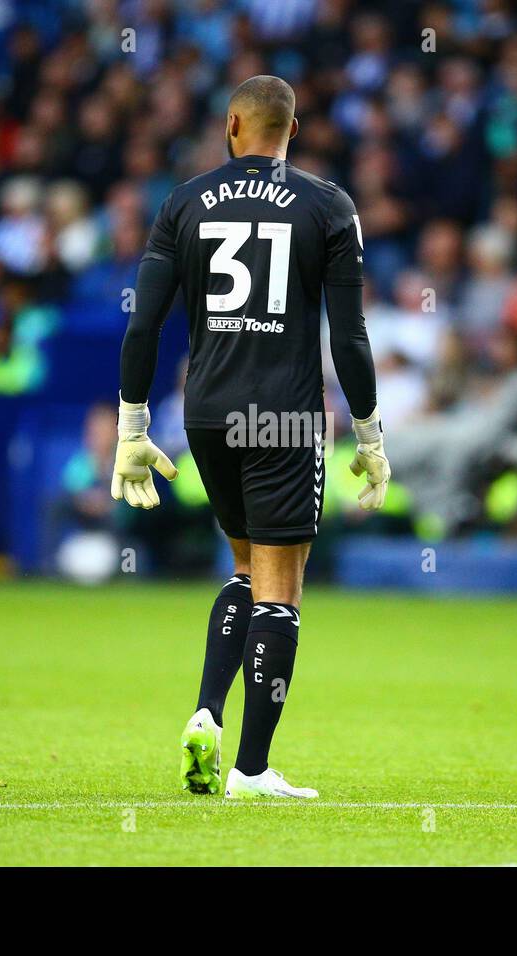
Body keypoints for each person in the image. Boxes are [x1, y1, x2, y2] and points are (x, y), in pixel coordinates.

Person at [112, 76, 390, 799]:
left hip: (206, 412)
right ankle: (253, 768)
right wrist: (370, 434)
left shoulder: (183, 202)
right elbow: (350, 335)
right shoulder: (328, 204)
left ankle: (206, 711)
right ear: (291, 132)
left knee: (242, 568)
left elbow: (143, 325)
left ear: (232, 126)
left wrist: (131, 426)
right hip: (286, 415)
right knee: (282, 586)